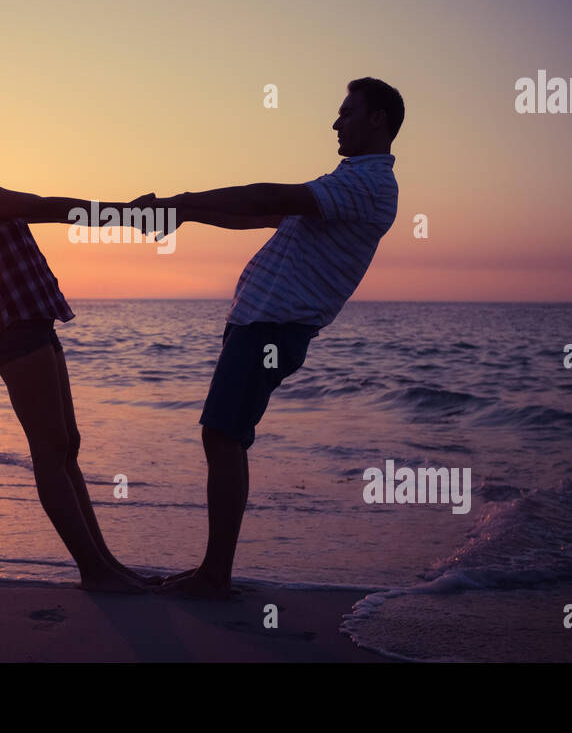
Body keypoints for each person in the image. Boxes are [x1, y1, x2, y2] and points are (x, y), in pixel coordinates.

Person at [137, 77, 404, 598]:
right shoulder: (348, 180)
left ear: (377, 120)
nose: (335, 121)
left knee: (223, 436)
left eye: (347, 112)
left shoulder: (369, 183)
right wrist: (185, 213)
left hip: (274, 327)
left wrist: (182, 198)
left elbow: (270, 194)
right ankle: (214, 572)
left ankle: (215, 575)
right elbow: (264, 214)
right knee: (225, 436)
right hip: (262, 322)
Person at [0, 97, 158, 593]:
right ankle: (94, 571)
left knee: (66, 445)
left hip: (30, 320)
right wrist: (123, 215)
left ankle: (105, 563)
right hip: (13, 325)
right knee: (50, 449)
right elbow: (40, 207)